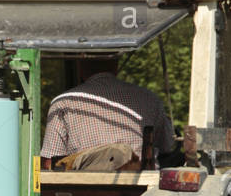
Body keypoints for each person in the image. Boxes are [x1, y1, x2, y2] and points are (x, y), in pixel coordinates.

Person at [39, 57, 176, 171]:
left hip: (85, 189)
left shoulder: (63, 102)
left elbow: (49, 162)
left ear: (80, 67)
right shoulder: (149, 98)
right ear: (115, 65)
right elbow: (167, 145)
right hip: (142, 188)